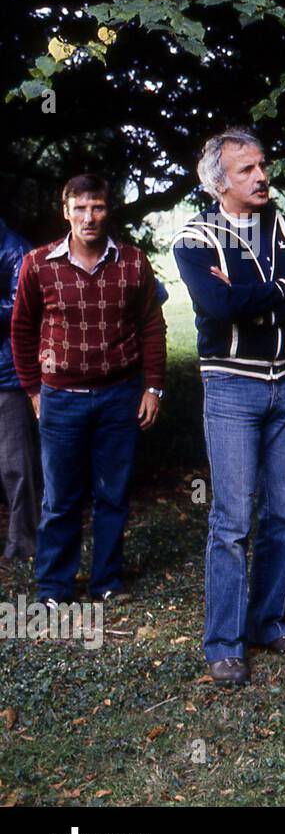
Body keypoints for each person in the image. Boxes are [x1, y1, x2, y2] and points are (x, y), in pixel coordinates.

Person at [173, 129, 285, 686]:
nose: (262, 176)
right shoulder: (195, 239)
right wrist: (283, 291)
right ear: (219, 183)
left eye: (263, 165)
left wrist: (268, 297)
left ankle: (270, 621)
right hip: (232, 387)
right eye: (246, 170)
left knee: (284, 514)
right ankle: (223, 643)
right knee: (233, 518)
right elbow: (217, 306)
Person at [10, 174, 166, 603]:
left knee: (112, 495)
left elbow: (152, 326)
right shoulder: (39, 264)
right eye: (79, 208)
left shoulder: (133, 262)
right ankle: (54, 585)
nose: (89, 217)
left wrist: (153, 388)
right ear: (66, 212)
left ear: (107, 209)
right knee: (60, 497)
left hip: (119, 395)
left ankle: (107, 582)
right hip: (61, 399)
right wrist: (34, 391)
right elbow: (21, 329)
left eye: (96, 207)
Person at [0, 217, 37, 563]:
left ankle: (22, 541)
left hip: (7, 375)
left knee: (14, 464)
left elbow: (20, 310)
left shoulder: (15, 250)